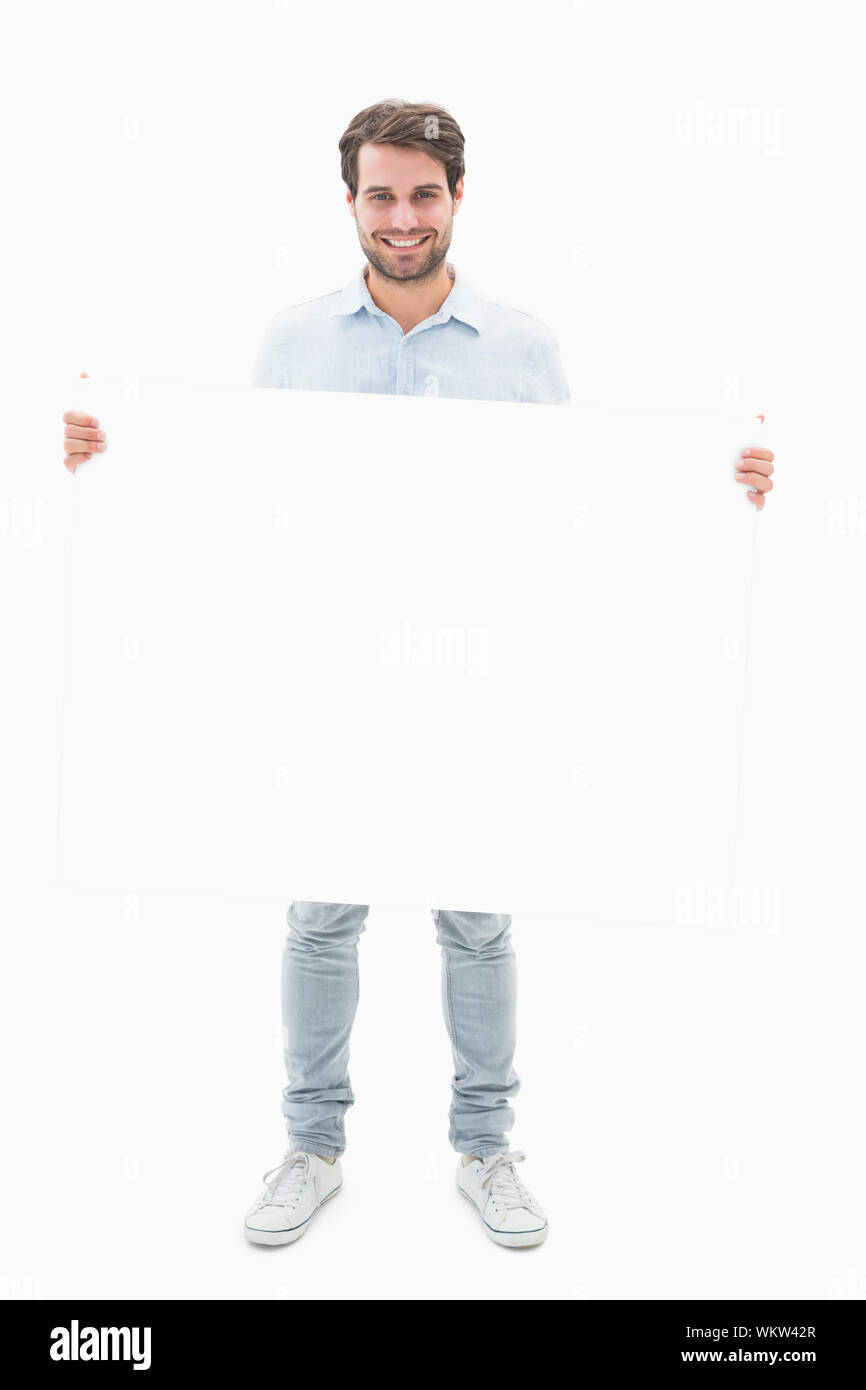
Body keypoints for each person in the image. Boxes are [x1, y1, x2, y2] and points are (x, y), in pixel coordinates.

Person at [60, 99, 776, 1253]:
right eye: (380, 194)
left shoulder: (521, 345)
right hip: (334, 676)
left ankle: (486, 1148)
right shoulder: (296, 340)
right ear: (349, 201)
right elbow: (239, 496)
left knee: (477, 919)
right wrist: (118, 458)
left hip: (476, 676)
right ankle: (311, 1145)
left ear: (456, 198)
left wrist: (713, 490)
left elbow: (583, 508)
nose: (402, 217)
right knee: (320, 914)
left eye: (423, 193)